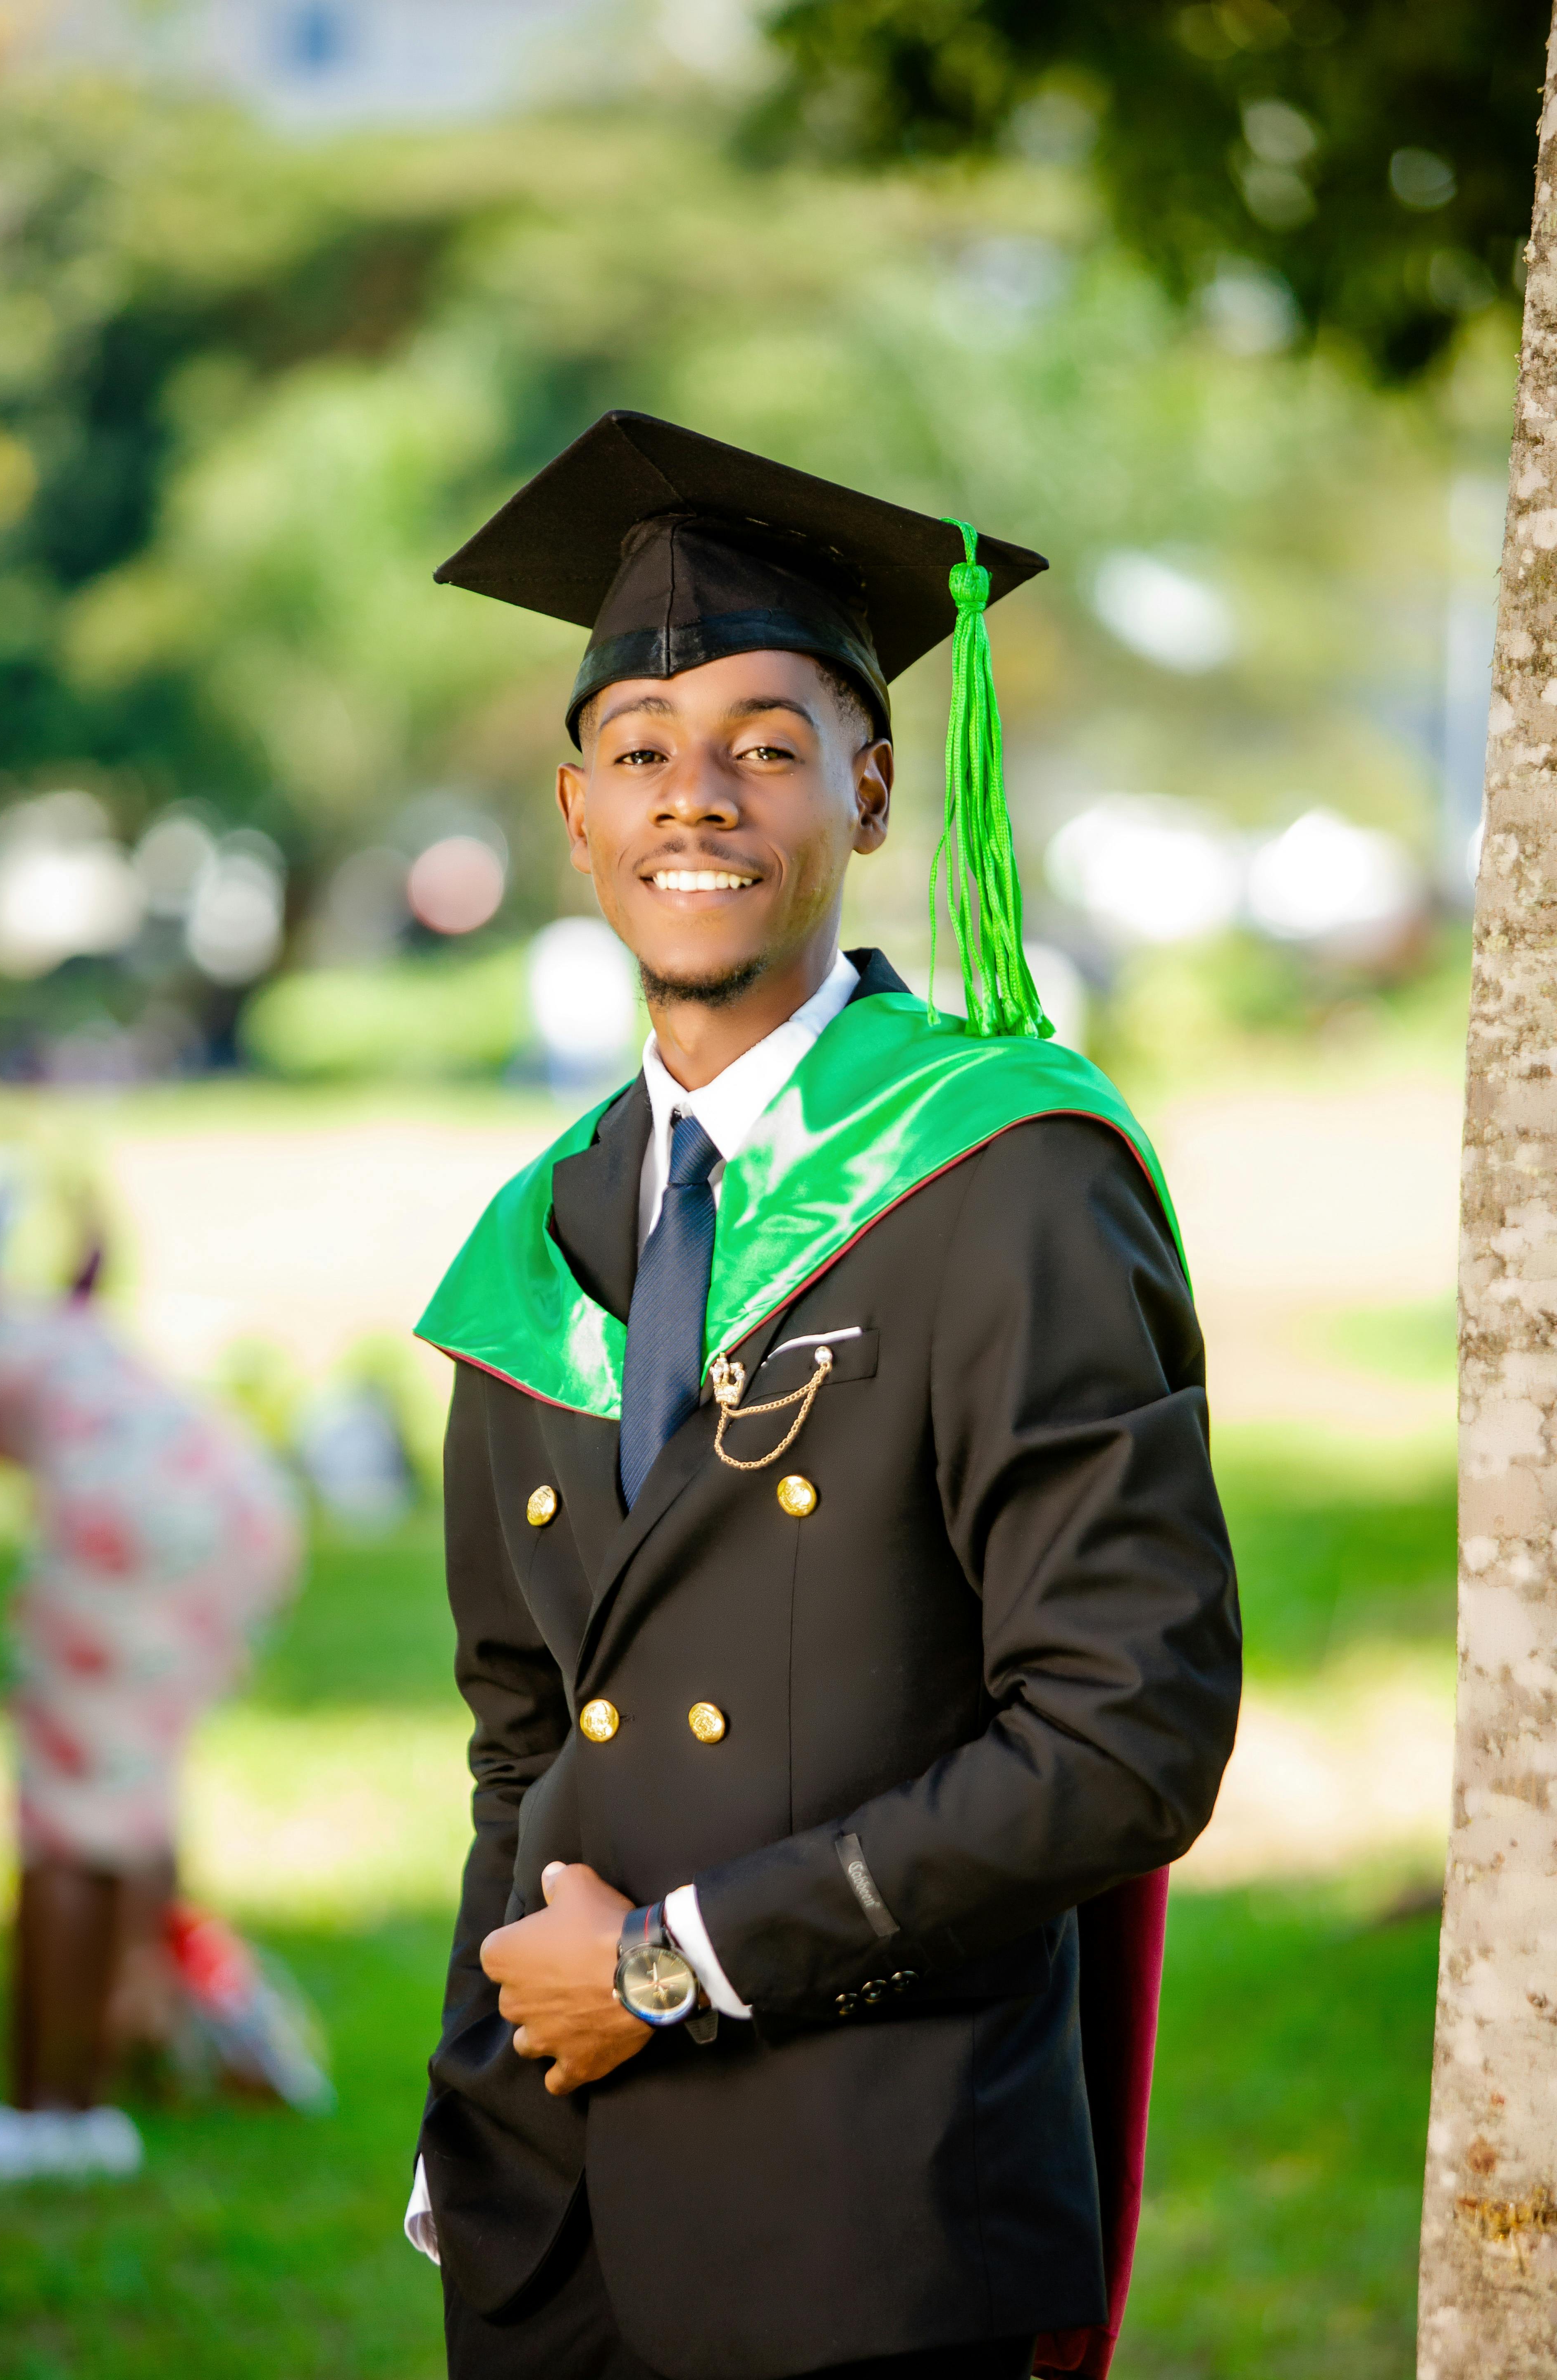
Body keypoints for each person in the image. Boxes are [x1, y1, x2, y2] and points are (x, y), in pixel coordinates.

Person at [406, 412, 1241, 2380]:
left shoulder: (1005, 1176)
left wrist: (674, 1963)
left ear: (871, 791)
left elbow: (1128, 1733)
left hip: (869, 2239)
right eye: (642, 750)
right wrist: (476, 2114)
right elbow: (519, 1749)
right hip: (559, 2242)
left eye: (766, 745)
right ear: (579, 812)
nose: (695, 796)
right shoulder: (539, 1237)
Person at [0, 1209, 303, 2178]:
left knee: (69, 1824)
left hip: (131, 1522)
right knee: (127, 1793)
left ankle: (54, 2116)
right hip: (242, 1500)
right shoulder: (44, 1320)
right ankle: (141, 2022)